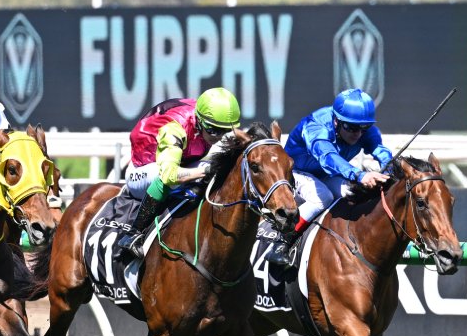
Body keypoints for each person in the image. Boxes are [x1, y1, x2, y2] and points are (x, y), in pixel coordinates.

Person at [265, 88, 393, 272]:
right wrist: (360, 175)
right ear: (336, 120)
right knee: (323, 197)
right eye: (351, 127)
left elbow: (380, 150)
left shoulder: (362, 130)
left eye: (363, 128)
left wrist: (390, 168)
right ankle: (281, 241)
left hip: (325, 175)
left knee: (353, 192)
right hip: (294, 173)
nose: (357, 134)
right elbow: (328, 158)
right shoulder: (316, 126)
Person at [113, 87, 242, 261]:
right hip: (143, 171)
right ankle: (133, 233)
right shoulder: (175, 129)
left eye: (224, 131)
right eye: (213, 130)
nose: (218, 137)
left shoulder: (207, 120)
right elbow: (169, 175)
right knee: (170, 179)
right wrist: (205, 171)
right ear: (200, 121)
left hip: (178, 161)